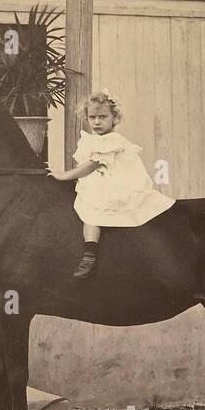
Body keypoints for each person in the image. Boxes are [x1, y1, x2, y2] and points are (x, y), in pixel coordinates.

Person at [47, 89, 174, 278]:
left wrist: (65, 175)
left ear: (114, 118)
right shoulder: (93, 139)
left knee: (91, 209)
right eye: (92, 117)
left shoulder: (112, 140)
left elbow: (92, 164)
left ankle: (89, 254)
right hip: (104, 177)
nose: (97, 122)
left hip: (118, 181)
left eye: (103, 117)